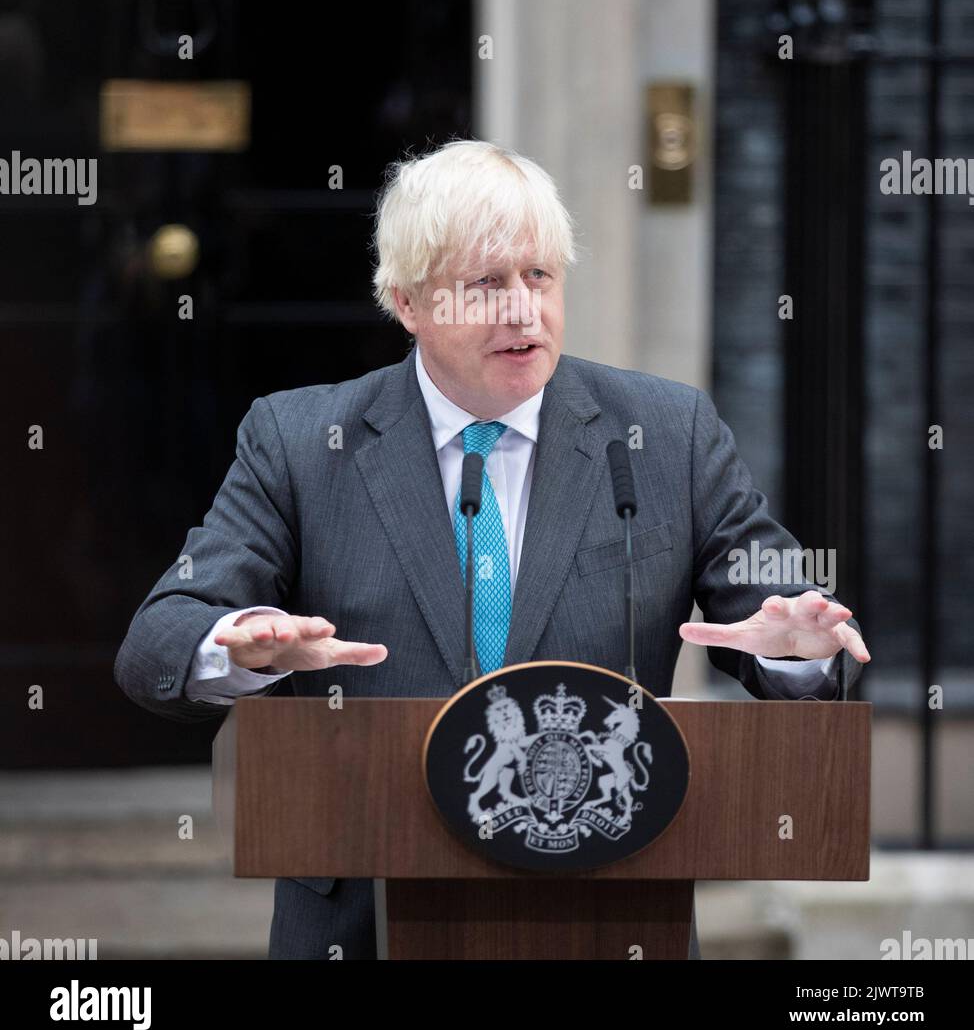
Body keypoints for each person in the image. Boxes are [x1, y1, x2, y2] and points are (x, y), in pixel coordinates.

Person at [114, 138, 870, 960]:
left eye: (539, 276)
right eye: (486, 284)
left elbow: (780, 616)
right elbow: (158, 640)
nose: (523, 310)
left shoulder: (666, 435)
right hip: (365, 922)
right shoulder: (300, 443)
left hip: (609, 915)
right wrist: (240, 647)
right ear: (408, 303)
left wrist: (799, 648)